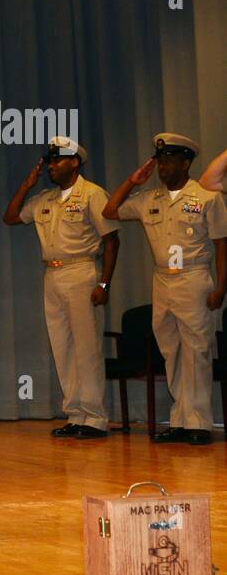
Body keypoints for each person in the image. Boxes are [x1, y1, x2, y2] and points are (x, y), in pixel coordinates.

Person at [103, 133, 227, 445]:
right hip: (163, 281)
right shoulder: (149, 200)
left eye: (170, 160)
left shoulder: (207, 197)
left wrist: (221, 287)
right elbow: (110, 210)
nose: (163, 166)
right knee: (171, 352)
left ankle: (199, 423)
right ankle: (180, 421)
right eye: (160, 160)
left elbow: (221, 245)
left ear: (186, 163)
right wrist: (133, 181)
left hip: (194, 278)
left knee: (196, 351)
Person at [2, 137, 119, 438]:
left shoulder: (92, 195)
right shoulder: (45, 199)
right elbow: (11, 217)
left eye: (57, 161)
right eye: (50, 161)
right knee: (63, 349)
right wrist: (27, 185)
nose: (51, 166)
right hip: (52, 275)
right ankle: (75, 414)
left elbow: (111, 240)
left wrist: (103, 282)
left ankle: (94, 418)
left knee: (87, 349)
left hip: (81, 271)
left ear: (75, 162)